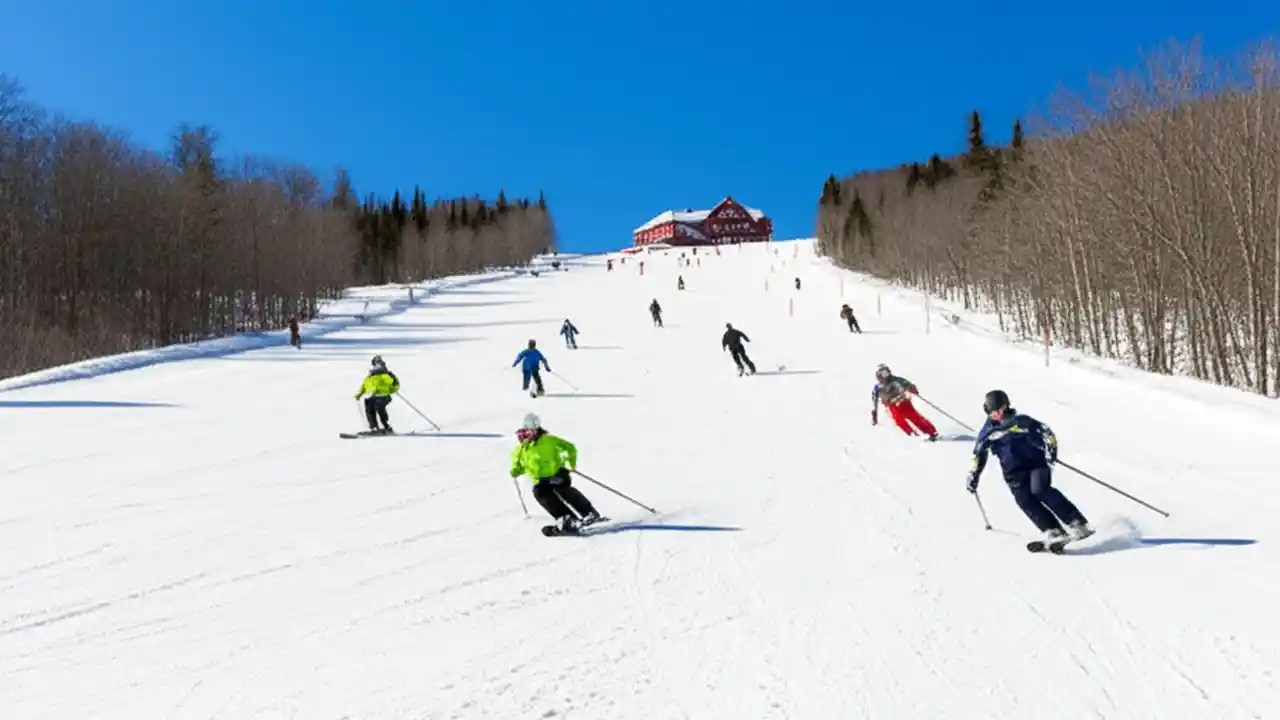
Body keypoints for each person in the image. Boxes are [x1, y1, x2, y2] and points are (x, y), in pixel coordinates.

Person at [966, 390, 1093, 544]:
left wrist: (1051, 452)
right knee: (1024, 499)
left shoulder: (1021, 422)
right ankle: (1053, 530)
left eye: (1001, 409)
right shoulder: (988, 432)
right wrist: (974, 475)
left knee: (1040, 489)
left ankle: (1076, 522)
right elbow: (978, 454)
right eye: (994, 411)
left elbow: (1047, 433)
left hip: (1036, 464)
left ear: (1006, 406)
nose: (998, 414)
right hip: (1013, 473)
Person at [510, 413, 602, 534]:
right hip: (541, 481)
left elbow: (570, 448)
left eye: (528, 433)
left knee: (561, 489)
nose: (524, 437)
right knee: (540, 493)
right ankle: (567, 519)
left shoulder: (549, 441)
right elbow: (522, 467)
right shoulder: (520, 451)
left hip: (557, 474)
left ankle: (588, 513)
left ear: (536, 431)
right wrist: (516, 471)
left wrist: (571, 463)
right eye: (522, 435)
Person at [870, 363, 937, 440]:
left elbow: (906, 383)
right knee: (899, 420)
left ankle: (931, 432)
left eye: (886, 373)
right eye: (882, 374)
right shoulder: (878, 388)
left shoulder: (895, 380)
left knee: (913, 416)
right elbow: (874, 400)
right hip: (891, 405)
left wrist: (911, 387)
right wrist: (874, 413)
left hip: (902, 401)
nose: (885, 376)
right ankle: (911, 434)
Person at [354, 355, 400, 434]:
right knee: (370, 405)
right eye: (375, 364)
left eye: (379, 363)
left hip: (383, 396)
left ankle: (385, 426)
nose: (377, 366)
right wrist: (359, 394)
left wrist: (391, 389)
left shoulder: (386, 374)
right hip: (374, 396)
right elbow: (365, 385)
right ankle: (375, 427)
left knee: (378, 407)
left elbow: (395, 384)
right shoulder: (371, 375)